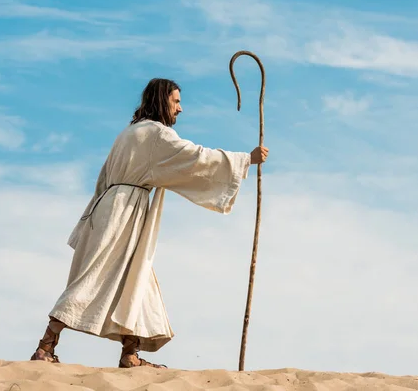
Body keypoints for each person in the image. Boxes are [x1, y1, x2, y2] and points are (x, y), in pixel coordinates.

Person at [30, 78, 269, 368]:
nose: (181, 109)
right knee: (93, 278)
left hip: (111, 208)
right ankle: (45, 346)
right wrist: (245, 159)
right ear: (161, 100)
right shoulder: (156, 134)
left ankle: (130, 354)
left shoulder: (129, 132)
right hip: (122, 213)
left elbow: (104, 179)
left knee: (137, 277)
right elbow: (195, 157)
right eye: (176, 101)